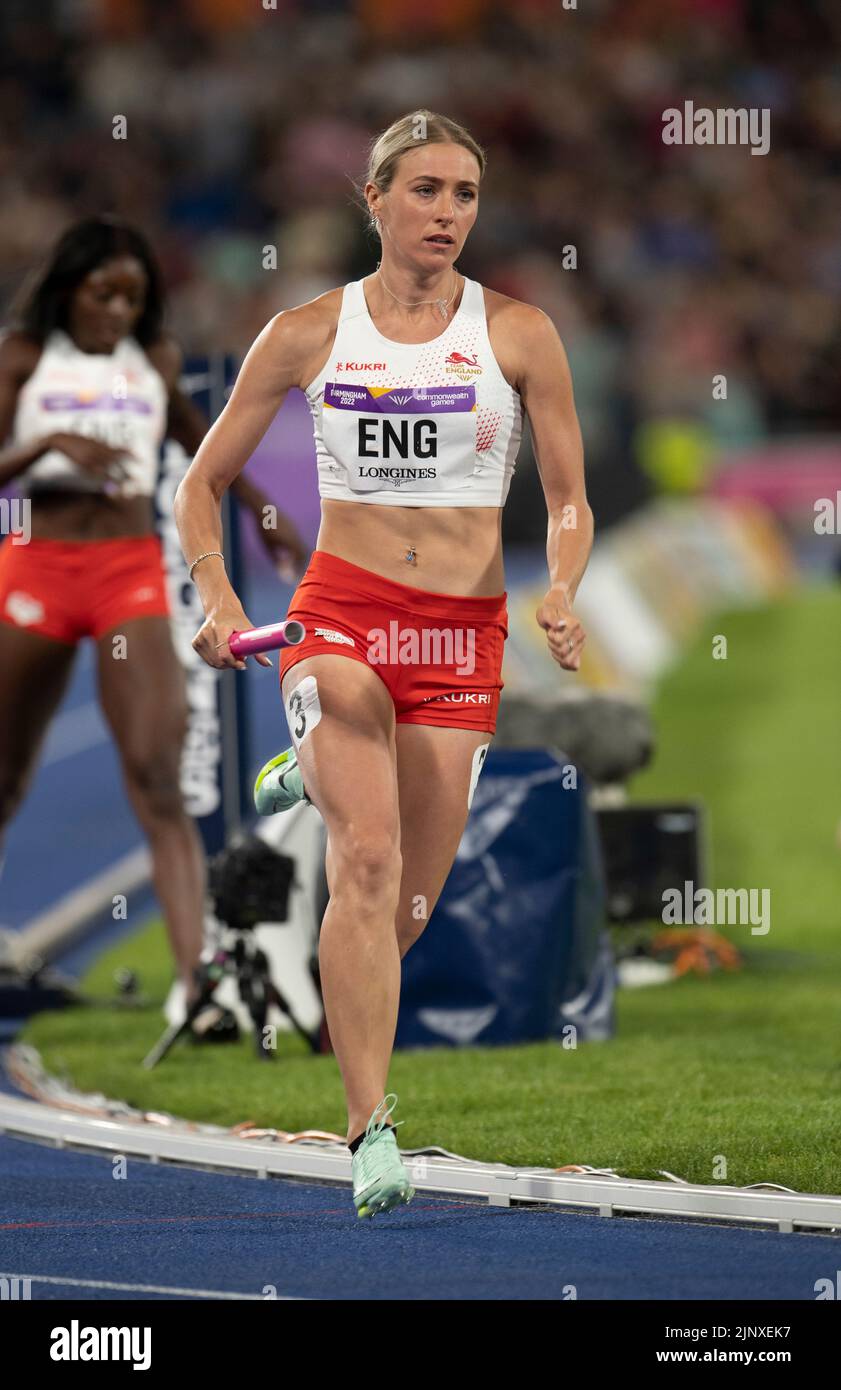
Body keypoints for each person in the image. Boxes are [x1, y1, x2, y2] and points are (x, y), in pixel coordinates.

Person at [177, 109, 593, 1217]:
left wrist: (560, 585)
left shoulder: (519, 334)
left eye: (463, 193)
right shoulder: (310, 331)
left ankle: (306, 770)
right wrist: (218, 596)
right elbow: (199, 482)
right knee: (365, 861)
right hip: (345, 615)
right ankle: (371, 1128)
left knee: (403, 908)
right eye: (423, 191)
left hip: (461, 634)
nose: (446, 213)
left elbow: (566, 500)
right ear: (374, 200)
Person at [0, 215, 306, 1039]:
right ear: (69, 290)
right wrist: (44, 444)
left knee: (158, 781)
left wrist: (263, 511)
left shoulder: (153, 361)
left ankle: (196, 985)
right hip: (35, 567)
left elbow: (201, 448)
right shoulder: (25, 358)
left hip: (128, 574)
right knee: (6, 777)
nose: (118, 313)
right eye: (104, 294)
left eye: (134, 299)